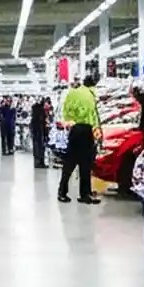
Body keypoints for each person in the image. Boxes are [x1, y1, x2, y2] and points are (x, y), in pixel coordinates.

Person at [58, 74, 102, 204]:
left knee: (69, 163)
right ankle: (84, 194)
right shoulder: (91, 95)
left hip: (75, 129)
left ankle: (62, 192)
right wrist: (97, 132)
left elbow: (66, 110)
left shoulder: (73, 93)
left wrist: (69, 123)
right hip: (86, 130)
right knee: (85, 164)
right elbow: (94, 116)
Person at [29, 96, 49, 168]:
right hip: (39, 131)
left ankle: (38, 162)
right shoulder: (41, 111)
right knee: (40, 147)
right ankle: (40, 162)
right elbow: (43, 122)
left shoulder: (35, 112)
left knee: (37, 147)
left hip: (36, 131)